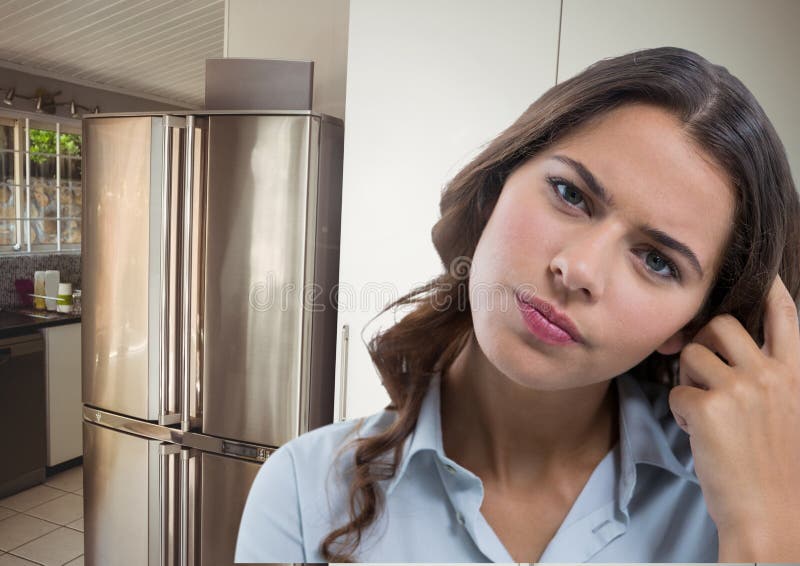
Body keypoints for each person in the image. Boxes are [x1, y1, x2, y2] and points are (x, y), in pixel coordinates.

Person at [234, 46, 800, 563]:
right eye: (570, 194)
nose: (577, 270)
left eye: (657, 261)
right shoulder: (306, 490)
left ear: (691, 326)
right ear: (495, 190)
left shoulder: (741, 503)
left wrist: (765, 534)